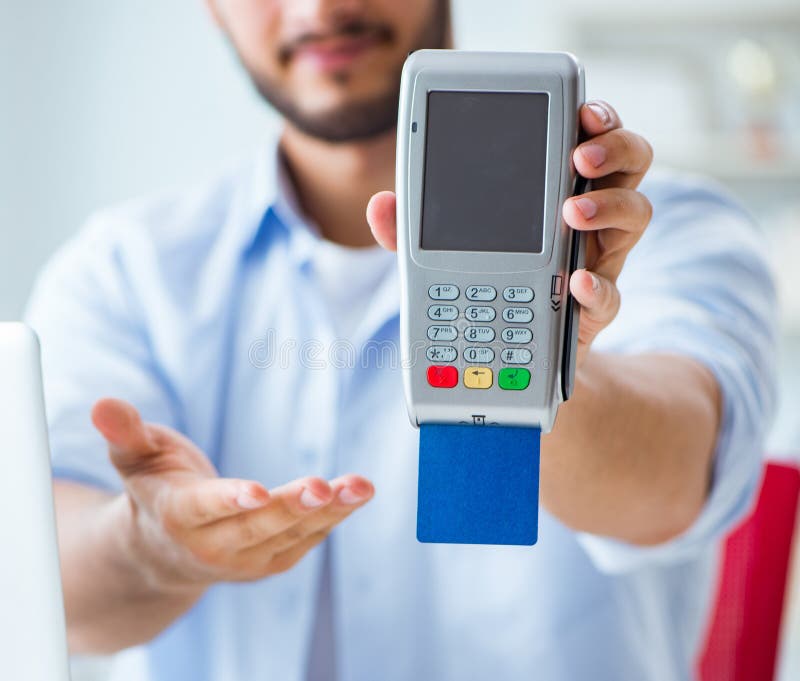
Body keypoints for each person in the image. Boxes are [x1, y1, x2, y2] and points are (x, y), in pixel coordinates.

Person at [25, 1, 777, 679]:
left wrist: (542, 362)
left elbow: (684, 477)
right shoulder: (122, 266)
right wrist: (149, 547)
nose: (321, 7)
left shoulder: (662, 227)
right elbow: (46, 584)